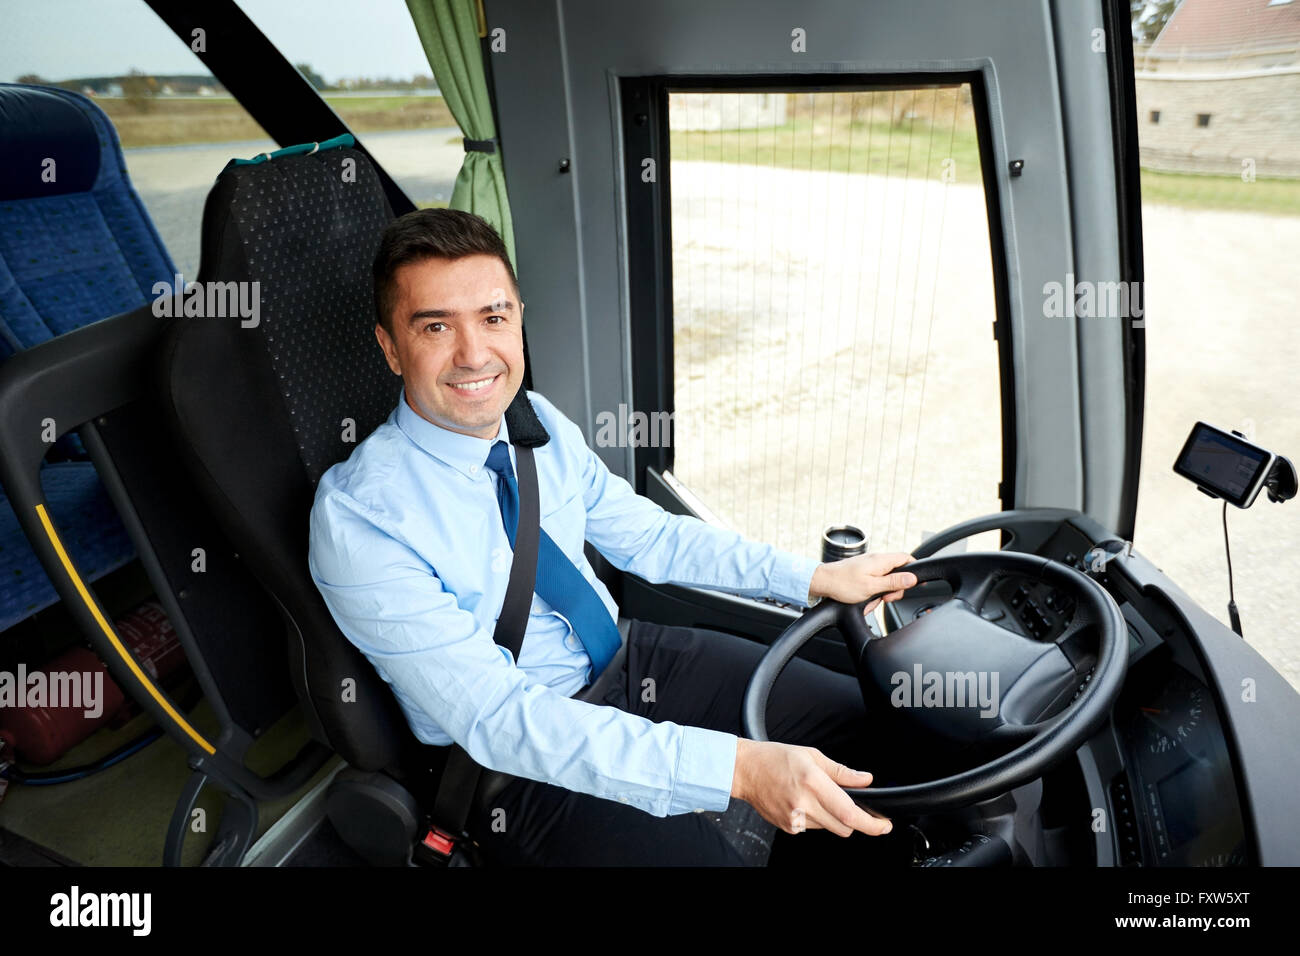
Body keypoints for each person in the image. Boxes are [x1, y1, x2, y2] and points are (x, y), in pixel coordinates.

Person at [308, 208, 919, 866]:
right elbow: (501, 719)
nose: (475, 354)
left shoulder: (534, 419)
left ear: (517, 317)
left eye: (493, 317)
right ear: (390, 347)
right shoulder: (359, 518)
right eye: (435, 326)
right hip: (520, 762)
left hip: (631, 663)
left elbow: (649, 537)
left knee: (879, 725)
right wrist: (739, 771)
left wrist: (810, 577)